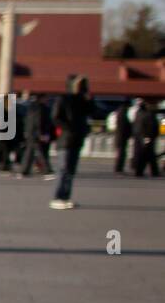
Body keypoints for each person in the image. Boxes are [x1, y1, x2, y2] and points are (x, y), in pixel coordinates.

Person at [49, 75, 103, 210]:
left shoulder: (82, 100)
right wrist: (68, 128)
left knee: (71, 170)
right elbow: (55, 117)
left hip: (78, 139)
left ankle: (66, 196)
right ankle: (58, 197)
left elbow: (93, 111)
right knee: (64, 169)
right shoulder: (63, 99)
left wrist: (90, 99)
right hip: (66, 139)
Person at [131, 97, 159, 178]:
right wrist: (149, 137)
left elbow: (137, 125)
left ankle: (151, 171)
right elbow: (150, 126)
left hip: (142, 137)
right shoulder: (148, 114)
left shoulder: (139, 113)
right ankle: (143, 171)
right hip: (146, 137)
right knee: (146, 155)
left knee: (148, 155)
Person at [111, 99, 132, 173]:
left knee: (120, 152)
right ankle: (118, 168)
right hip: (122, 136)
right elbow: (125, 125)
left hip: (120, 136)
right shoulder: (123, 113)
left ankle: (119, 167)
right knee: (121, 153)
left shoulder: (119, 112)